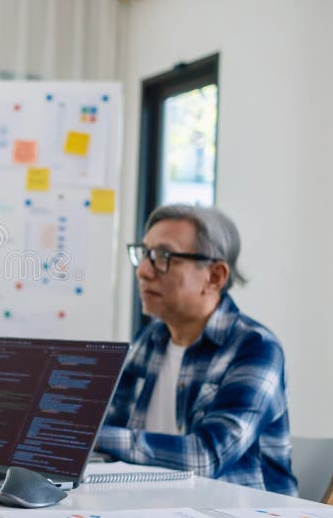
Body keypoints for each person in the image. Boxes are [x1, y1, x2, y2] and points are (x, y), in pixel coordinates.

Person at [96, 204, 297, 495]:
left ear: (214, 277)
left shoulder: (256, 348)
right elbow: (111, 432)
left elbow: (206, 457)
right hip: (155, 503)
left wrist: (90, 437)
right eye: (143, 254)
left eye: (163, 257)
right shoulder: (149, 340)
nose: (142, 271)